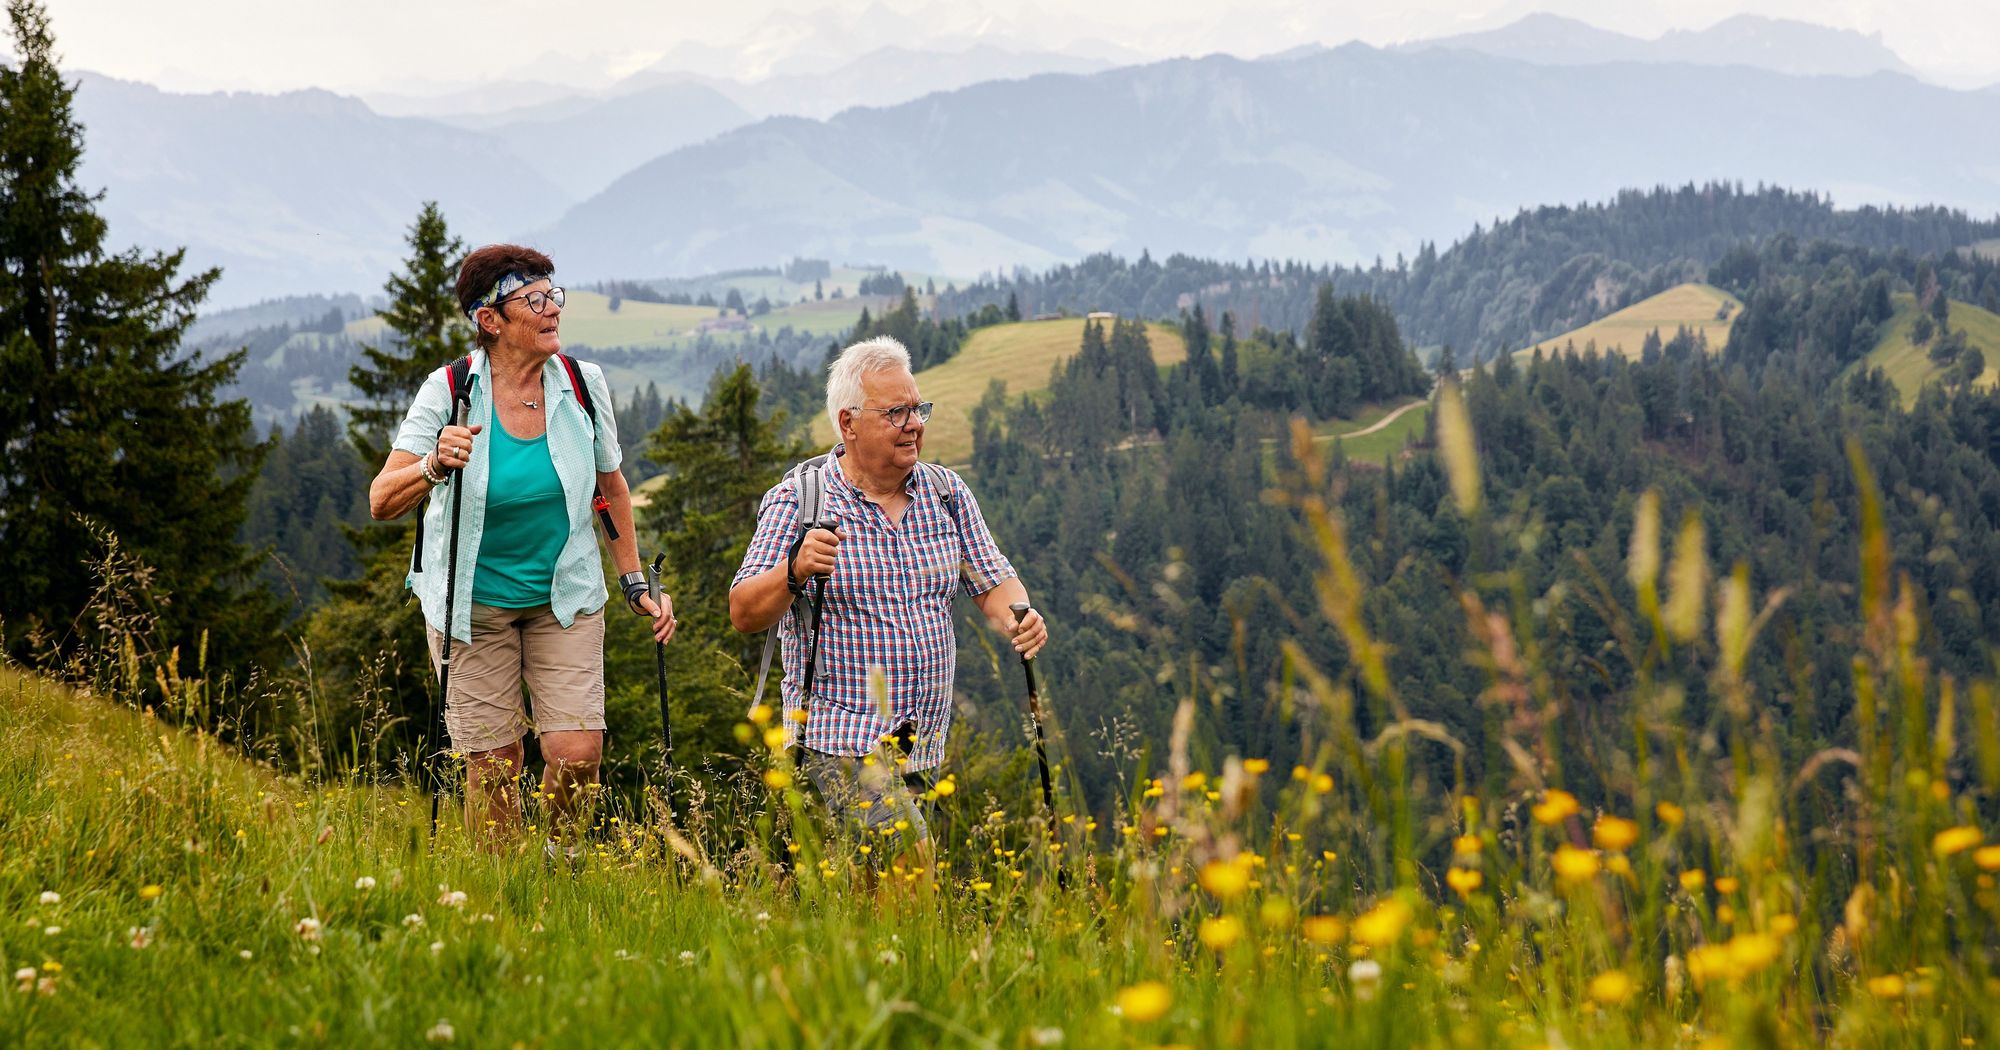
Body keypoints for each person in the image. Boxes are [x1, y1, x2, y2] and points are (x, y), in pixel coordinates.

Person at [368, 244, 676, 842]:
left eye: (553, 295)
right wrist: (433, 464)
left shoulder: (584, 385)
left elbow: (610, 485)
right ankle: (506, 890)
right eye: (533, 299)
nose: (552, 309)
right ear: (491, 320)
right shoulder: (449, 390)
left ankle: (556, 864)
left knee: (579, 752)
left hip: (566, 595)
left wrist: (635, 581)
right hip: (471, 605)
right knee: (495, 768)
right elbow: (382, 499)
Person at [729, 335, 1049, 853]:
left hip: (919, 739)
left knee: (875, 887)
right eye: (896, 412)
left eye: (917, 408)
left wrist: (1021, 616)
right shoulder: (800, 499)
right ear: (848, 424)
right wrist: (794, 569)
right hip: (839, 735)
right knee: (910, 858)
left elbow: (992, 582)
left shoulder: (946, 493)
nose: (915, 424)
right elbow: (744, 611)